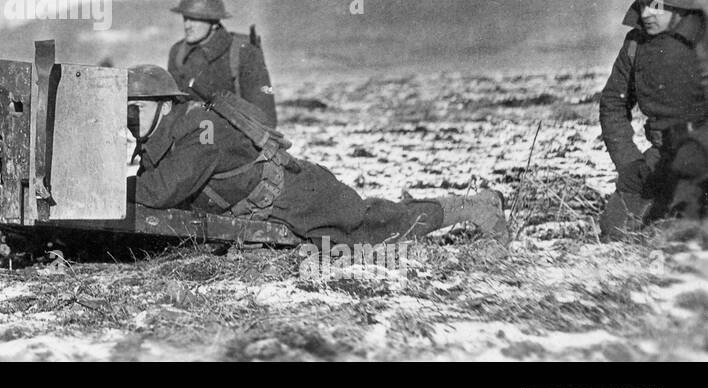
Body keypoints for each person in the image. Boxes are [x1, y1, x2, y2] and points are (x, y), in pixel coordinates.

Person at [126, 65, 508, 246]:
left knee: (377, 230)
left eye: (135, 110)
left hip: (301, 196)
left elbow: (159, 192)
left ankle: (471, 207)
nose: (130, 120)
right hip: (269, 212)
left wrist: (109, 187)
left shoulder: (199, 129)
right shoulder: (161, 134)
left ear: (163, 105)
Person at [598, 0, 708, 238]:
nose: (646, 13)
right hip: (661, 156)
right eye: (644, 4)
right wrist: (629, 163)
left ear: (679, 10)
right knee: (615, 230)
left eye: (656, 6)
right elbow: (613, 103)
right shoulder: (635, 45)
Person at [166, 0, 278, 127]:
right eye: (185, 18)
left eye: (195, 19)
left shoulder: (243, 52)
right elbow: (172, 110)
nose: (187, 25)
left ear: (214, 23)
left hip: (236, 137)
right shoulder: (178, 53)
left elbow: (265, 116)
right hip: (192, 136)